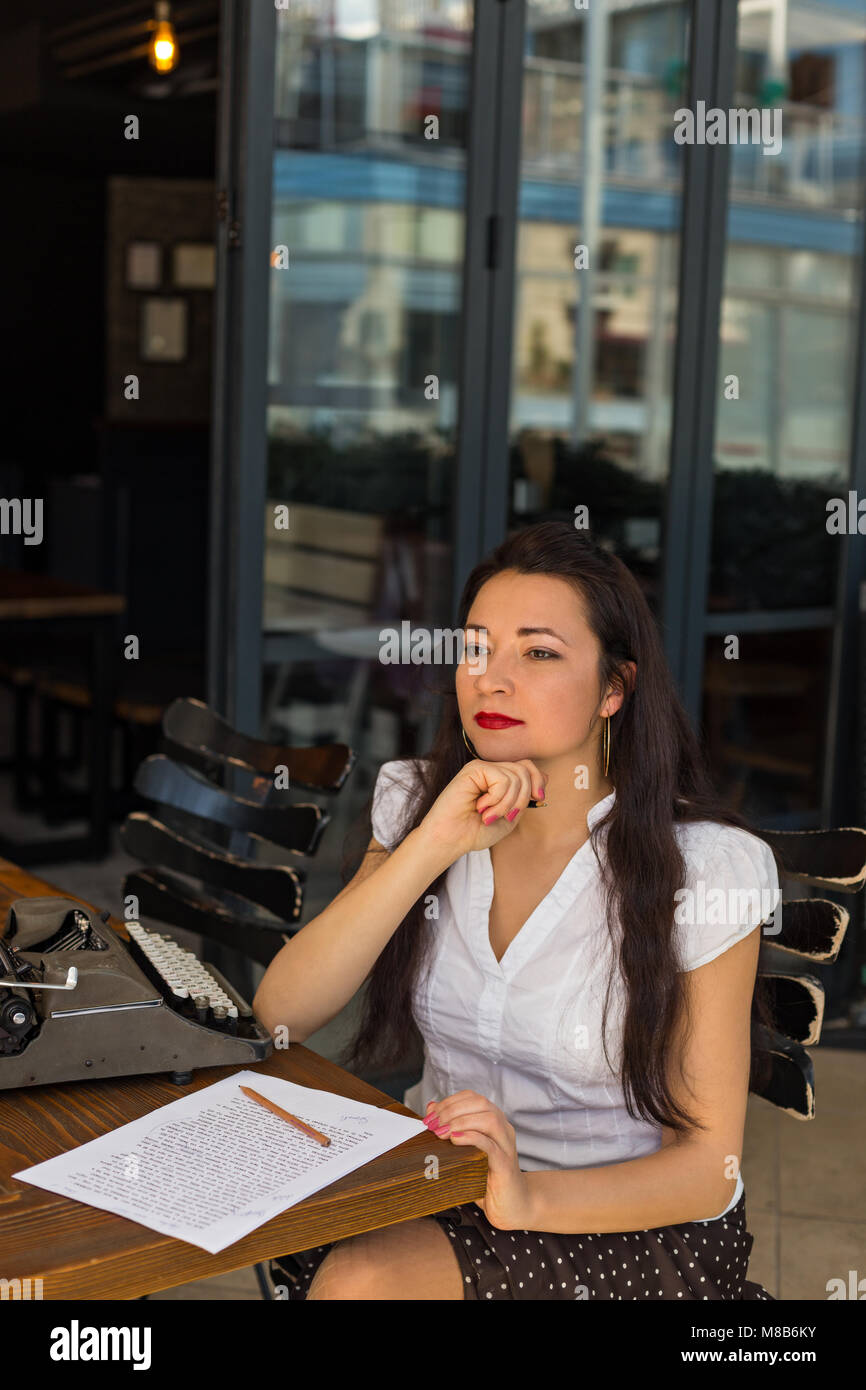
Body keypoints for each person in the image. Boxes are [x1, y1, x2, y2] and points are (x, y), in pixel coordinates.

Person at [253, 521, 779, 1300]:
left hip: (630, 1223)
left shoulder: (704, 870)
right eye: (476, 648)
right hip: (441, 1182)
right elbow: (282, 1011)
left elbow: (707, 1171)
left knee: (360, 1286)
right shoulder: (416, 804)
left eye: (538, 652)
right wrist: (432, 846)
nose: (490, 679)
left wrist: (526, 1196)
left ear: (614, 688)